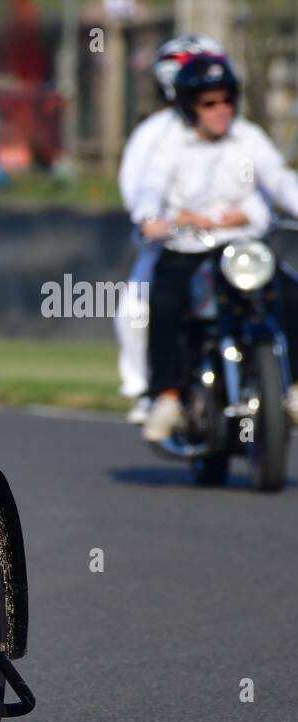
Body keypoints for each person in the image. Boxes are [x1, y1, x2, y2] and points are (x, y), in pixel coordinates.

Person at [133, 55, 298, 441]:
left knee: (291, 296)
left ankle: (292, 388)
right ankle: (167, 395)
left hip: (240, 250)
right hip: (186, 248)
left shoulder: (249, 137)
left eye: (226, 101)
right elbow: (150, 188)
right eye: (209, 103)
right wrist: (150, 217)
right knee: (165, 301)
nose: (221, 111)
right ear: (191, 107)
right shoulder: (169, 144)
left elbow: (279, 179)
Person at [115, 33, 226, 424]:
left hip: (231, 242)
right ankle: (150, 392)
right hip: (173, 243)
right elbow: (137, 191)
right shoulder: (155, 133)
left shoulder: (232, 126)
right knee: (136, 309)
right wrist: (155, 221)